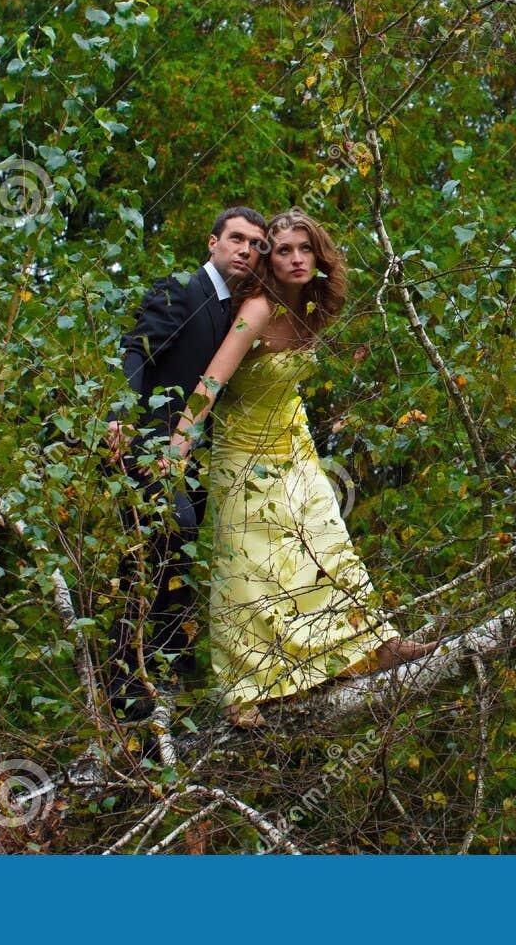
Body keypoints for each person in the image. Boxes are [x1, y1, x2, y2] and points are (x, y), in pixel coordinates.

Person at [168, 209, 436, 728]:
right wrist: (177, 448)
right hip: (241, 453)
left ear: (318, 257)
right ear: (271, 258)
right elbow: (212, 382)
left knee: (326, 542)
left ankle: (373, 644)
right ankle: (243, 691)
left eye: (303, 249)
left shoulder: (314, 308)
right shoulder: (258, 309)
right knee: (246, 566)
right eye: (283, 249)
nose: (294, 258)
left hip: (294, 444)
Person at [106, 206, 269, 718]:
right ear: (212, 242)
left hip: (195, 458)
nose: (245, 250)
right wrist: (119, 415)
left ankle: (163, 680)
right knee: (166, 537)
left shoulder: (235, 309)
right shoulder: (183, 288)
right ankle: (125, 685)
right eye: (236, 239)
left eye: (254, 244)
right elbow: (136, 349)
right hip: (150, 442)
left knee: (180, 560)